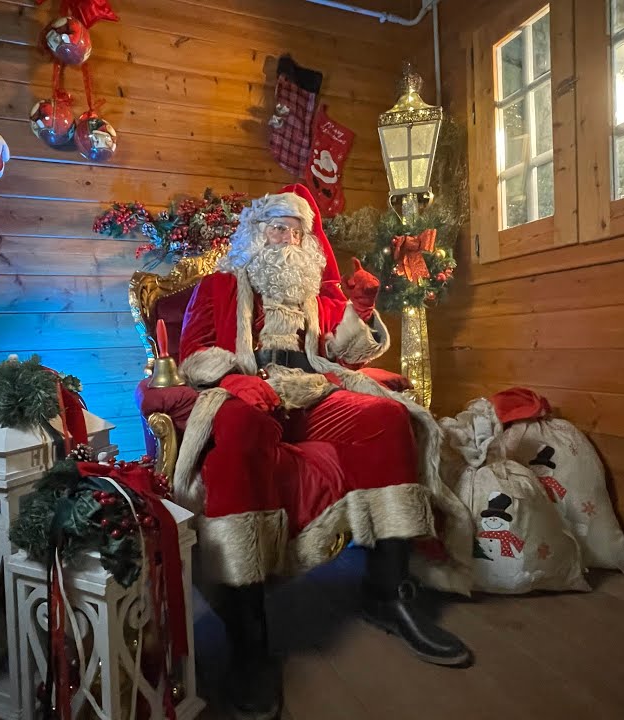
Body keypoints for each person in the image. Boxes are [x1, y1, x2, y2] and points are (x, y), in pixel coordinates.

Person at [139, 184, 473, 720]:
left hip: (312, 394)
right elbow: (194, 352)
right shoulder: (221, 285)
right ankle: (251, 642)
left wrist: (361, 310)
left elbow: (341, 356)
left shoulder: (316, 294)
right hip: (252, 397)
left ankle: (387, 592)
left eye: (297, 230)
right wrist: (233, 377)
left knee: (385, 418)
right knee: (241, 431)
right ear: (256, 232)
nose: (288, 237)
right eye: (277, 227)